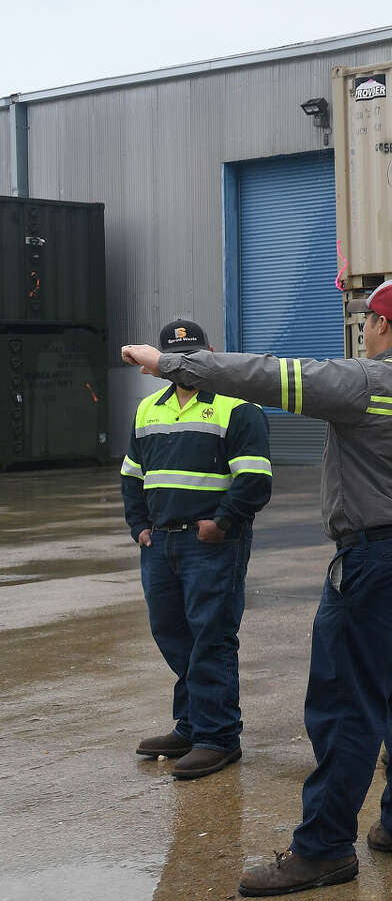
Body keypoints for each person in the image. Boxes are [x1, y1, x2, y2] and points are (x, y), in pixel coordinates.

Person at [121, 278, 392, 897]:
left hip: (379, 558)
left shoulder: (368, 381)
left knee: (345, 701)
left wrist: (169, 363)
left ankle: (325, 847)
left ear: (383, 328)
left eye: (368, 323)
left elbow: (268, 375)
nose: (364, 332)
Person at [121, 317, 273, 781]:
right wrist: (139, 527)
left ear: (209, 355)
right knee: (172, 634)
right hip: (160, 544)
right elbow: (132, 474)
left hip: (211, 544)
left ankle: (219, 737)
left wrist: (222, 523)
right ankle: (192, 726)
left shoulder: (237, 408)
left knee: (211, 636)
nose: (183, 364)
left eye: (192, 356)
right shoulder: (149, 409)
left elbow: (254, 479)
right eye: (175, 356)